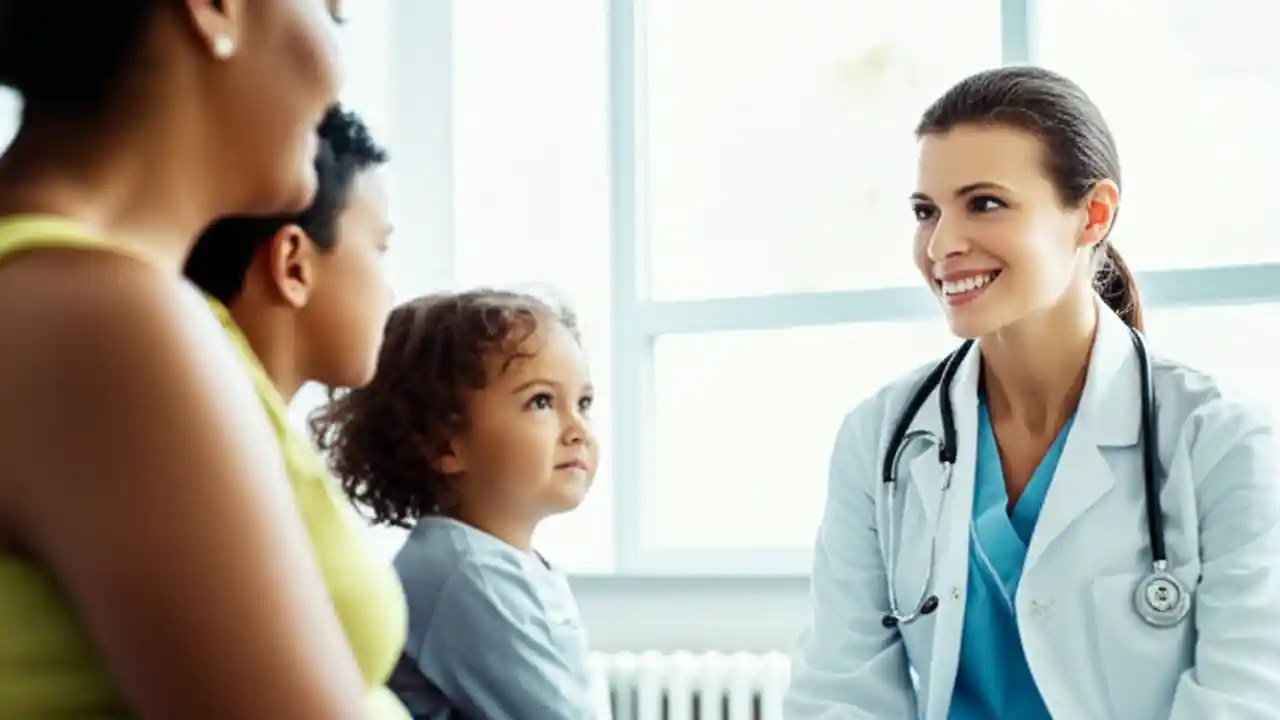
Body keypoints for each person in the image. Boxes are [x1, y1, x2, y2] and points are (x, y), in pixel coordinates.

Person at [784, 65, 1280, 719]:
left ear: (1093, 215)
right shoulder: (880, 439)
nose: (941, 244)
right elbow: (838, 695)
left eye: (984, 203)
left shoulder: (1218, 441)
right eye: (926, 211)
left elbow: (1241, 700)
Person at [0, 2, 400, 718]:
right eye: (331, 14)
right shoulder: (101, 323)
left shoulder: (103, 303)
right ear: (215, 8)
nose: (338, 78)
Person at [184, 103, 406, 717]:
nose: (390, 288)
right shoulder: (201, 432)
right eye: (380, 247)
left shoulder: (252, 420)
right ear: (293, 265)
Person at [311, 289, 600, 720]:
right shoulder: (469, 575)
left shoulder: (491, 562)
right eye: (541, 402)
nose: (578, 429)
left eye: (583, 403)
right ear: (446, 443)